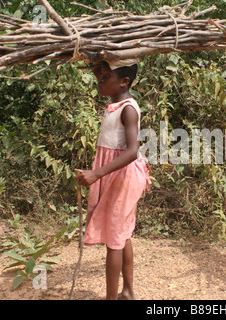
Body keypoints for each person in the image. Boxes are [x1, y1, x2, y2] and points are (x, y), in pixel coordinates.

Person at [75, 59, 151, 300]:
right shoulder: (114, 103)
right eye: (100, 75)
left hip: (123, 177)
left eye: (106, 76)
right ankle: (127, 292)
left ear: (124, 82)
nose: (99, 80)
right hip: (114, 174)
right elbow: (103, 74)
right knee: (121, 233)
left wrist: (96, 173)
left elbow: (131, 151)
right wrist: (99, 63)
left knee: (114, 239)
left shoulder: (128, 108)